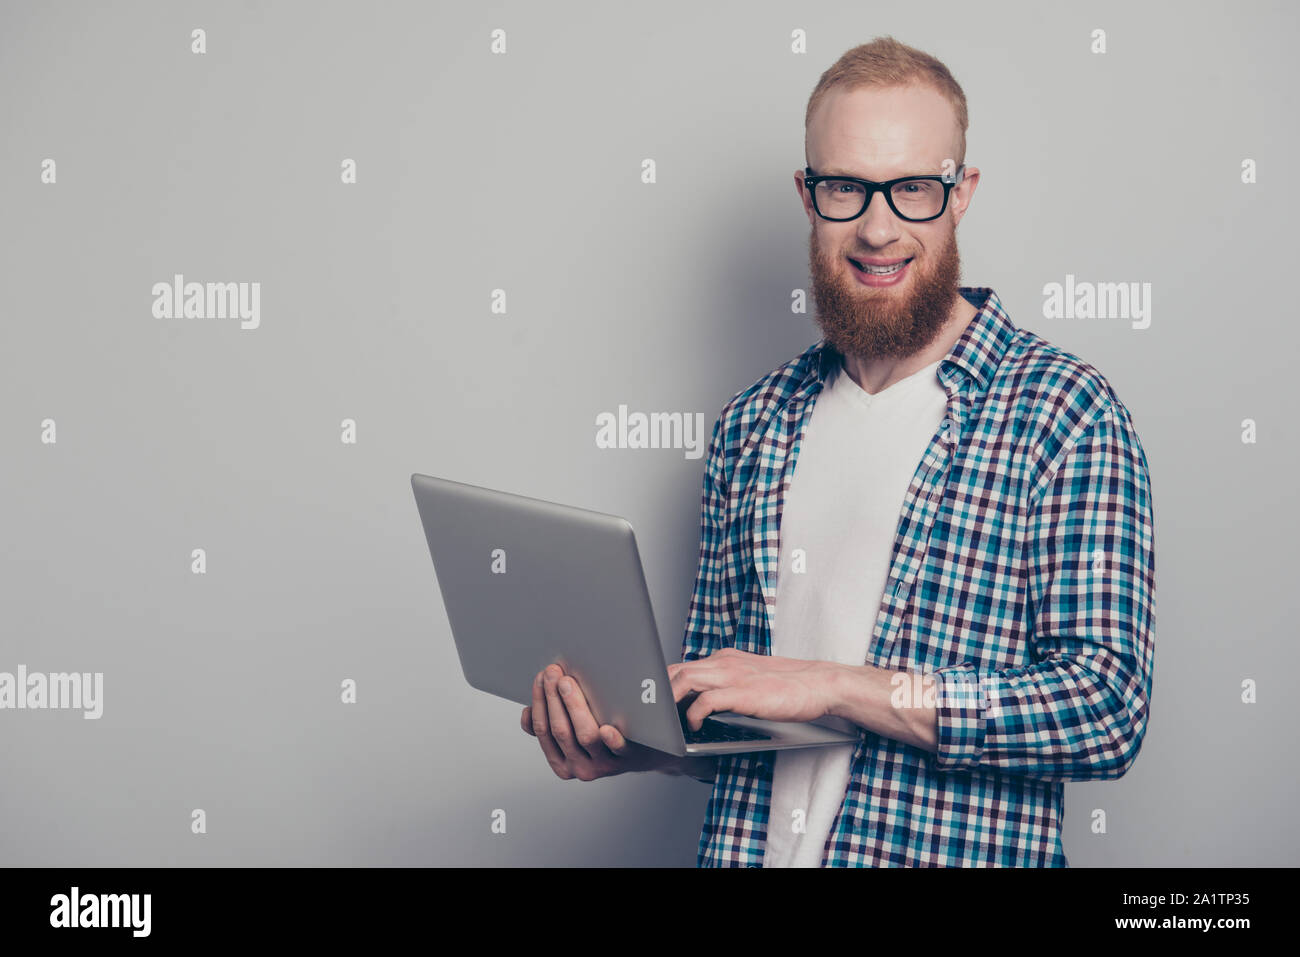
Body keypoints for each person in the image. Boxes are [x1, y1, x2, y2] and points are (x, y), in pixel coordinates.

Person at [521, 35, 1156, 867]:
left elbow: (1105, 710)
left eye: (914, 189)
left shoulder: (1065, 414)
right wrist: (635, 743)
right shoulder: (751, 425)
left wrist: (834, 685)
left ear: (961, 194)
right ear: (808, 195)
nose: (878, 228)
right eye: (847, 188)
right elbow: (741, 721)